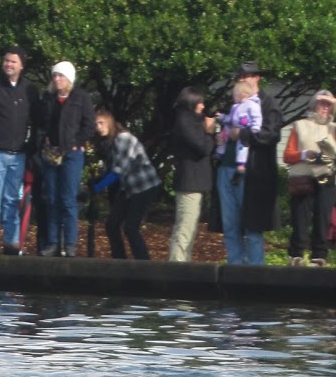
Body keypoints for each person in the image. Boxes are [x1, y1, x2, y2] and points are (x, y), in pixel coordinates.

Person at [212, 62, 283, 266]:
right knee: (230, 225)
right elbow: (226, 125)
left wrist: (242, 134)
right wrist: (220, 138)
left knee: (252, 227)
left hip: (252, 172)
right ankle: (235, 268)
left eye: (247, 76)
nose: (243, 79)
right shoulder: (235, 102)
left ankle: (255, 272)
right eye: (240, 76)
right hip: (226, 168)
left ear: (257, 78)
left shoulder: (268, 103)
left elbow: (271, 135)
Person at [0, 45, 39, 255]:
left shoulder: (29, 90)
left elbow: (35, 121)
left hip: (18, 154)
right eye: (6, 60)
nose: (8, 64)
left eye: (13, 61)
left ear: (21, 66)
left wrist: (30, 146)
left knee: (12, 199)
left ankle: (12, 241)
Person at [283, 90, 336, 265]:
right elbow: (287, 155)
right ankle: (296, 254)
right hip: (304, 178)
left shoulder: (334, 128)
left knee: (323, 219)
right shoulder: (300, 125)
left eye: (329, 105)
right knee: (300, 219)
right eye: (322, 104)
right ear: (314, 105)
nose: (325, 108)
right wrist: (304, 154)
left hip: (326, 178)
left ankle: (319, 256)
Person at [37, 61, 96, 257]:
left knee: (68, 198)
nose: (57, 79)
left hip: (71, 153)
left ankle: (70, 244)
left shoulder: (81, 98)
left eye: (61, 75)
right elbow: (42, 123)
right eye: (54, 75)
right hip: (51, 152)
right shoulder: (49, 99)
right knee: (52, 198)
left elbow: (89, 125)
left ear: (69, 78)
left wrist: (77, 142)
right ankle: (53, 242)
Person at [90, 110, 162, 260]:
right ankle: (119, 261)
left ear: (110, 123)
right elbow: (110, 169)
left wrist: (98, 187)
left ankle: (144, 265)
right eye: (96, 124)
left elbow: (118, 170)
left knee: (131, 228)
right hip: (127, 188)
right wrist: (97, 181)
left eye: (101, 123)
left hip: (144, 186)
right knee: (112, 225)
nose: (98, 127)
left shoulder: (123, 138)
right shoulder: (108, 143)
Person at [168, 88, 215, 262]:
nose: (203, 106)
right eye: (200, 103)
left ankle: (182, 263)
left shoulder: (189, 121)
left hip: (194, 181)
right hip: (189, 182)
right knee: (185, 226)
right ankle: (177, 265)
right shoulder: (185, 122)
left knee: (189, 226)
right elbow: (204, 148)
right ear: (191, 103)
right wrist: (209, 132)